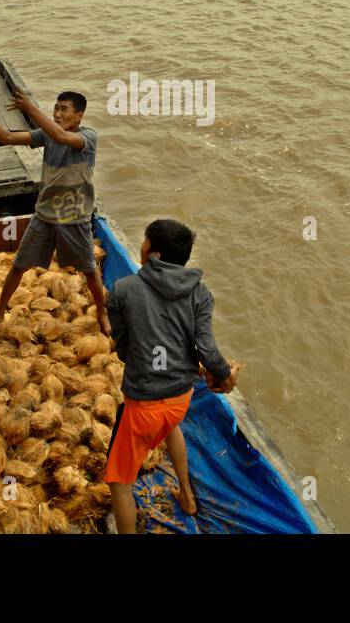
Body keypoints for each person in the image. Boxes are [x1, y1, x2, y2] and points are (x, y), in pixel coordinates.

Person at [104, 218, 239, 534]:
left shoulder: (123, 290)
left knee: (119, 483)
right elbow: (206, 347)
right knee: (171, 426)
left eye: (145, 242)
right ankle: (188, 498)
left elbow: (123, 349)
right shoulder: (200, 293)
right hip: (180, 398)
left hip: (142, 408)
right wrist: (225, 376)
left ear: (153, 254)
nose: (141, 246)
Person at [0, 88, 109, 334]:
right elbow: (6, 137)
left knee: (89, 270)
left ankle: (101, 312)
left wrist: (31, 109)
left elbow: (63, 137)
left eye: (63, 109)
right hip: (44, 215)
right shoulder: (46, 135)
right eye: (55, 108)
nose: (57, 114)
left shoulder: (87, 138)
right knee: (19, 266)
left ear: (79, 116)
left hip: (74, 218)